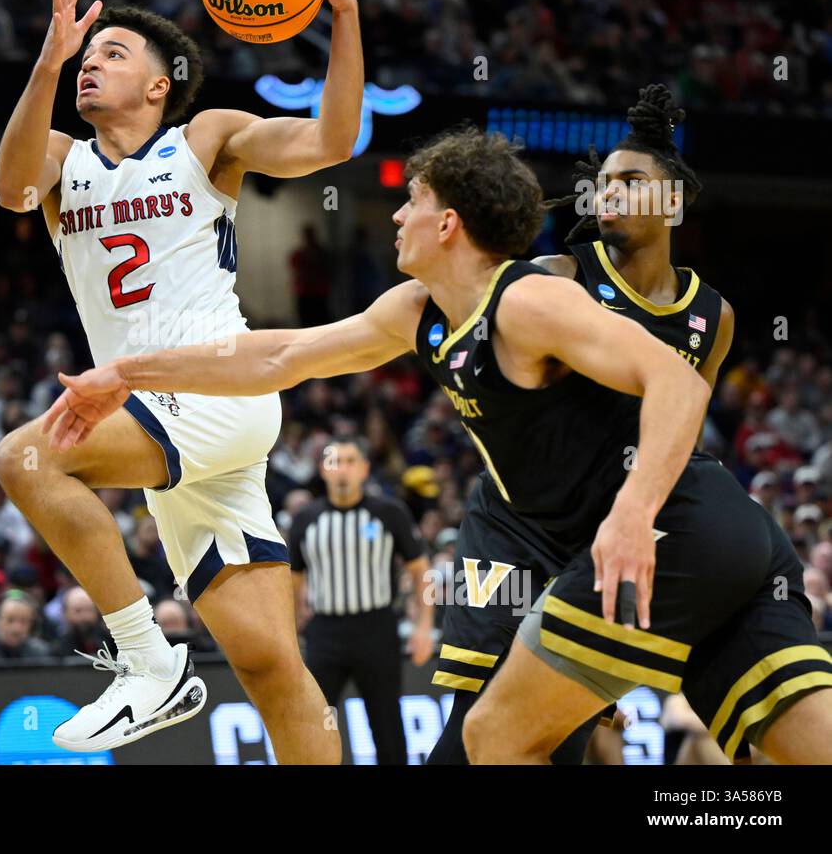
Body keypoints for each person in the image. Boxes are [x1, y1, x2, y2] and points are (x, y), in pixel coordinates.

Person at [42, 126, 832, 764]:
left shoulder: (530, 303)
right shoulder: (417, 309)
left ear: (447, 221)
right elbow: (276, 357)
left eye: (409, 199)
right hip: (734, 543)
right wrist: (129, 371)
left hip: (665, 530)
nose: (393, 214)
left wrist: (631, 514)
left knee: (495, 739)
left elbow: (683, 384)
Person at [0, 0, 362, 758]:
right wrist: (49, 60)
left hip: (217, 388)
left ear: (161, 86)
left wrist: (343, 13)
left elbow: (333, 141)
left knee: (28, 457)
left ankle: (144, 660)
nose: (93, 60)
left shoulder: (207, 139)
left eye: (113, 53)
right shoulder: (59, 160)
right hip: (157, 417)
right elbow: (12, 189)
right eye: (89, 54)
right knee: (272, 667)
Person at [429, 85, 736, 764]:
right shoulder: (558, 274)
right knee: (472, 729)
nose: (609, 193)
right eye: (602, 184)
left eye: (631, 180)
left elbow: (681, 443)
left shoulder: (711, 317)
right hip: (516, 525)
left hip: (602, 538)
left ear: (676, 203)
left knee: (556, 738)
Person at [287, 436, 432, 765]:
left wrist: (423, 626)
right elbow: (292, 582)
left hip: (376, 629)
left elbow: (423, 570)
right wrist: (293, 628)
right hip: (325, 632)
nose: (343, 469)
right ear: (323, 469)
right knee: (318, 722)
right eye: (335, 461)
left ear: (365, 469)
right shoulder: (306, 519)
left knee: (387, 724)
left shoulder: (389, 513)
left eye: (351, 461)